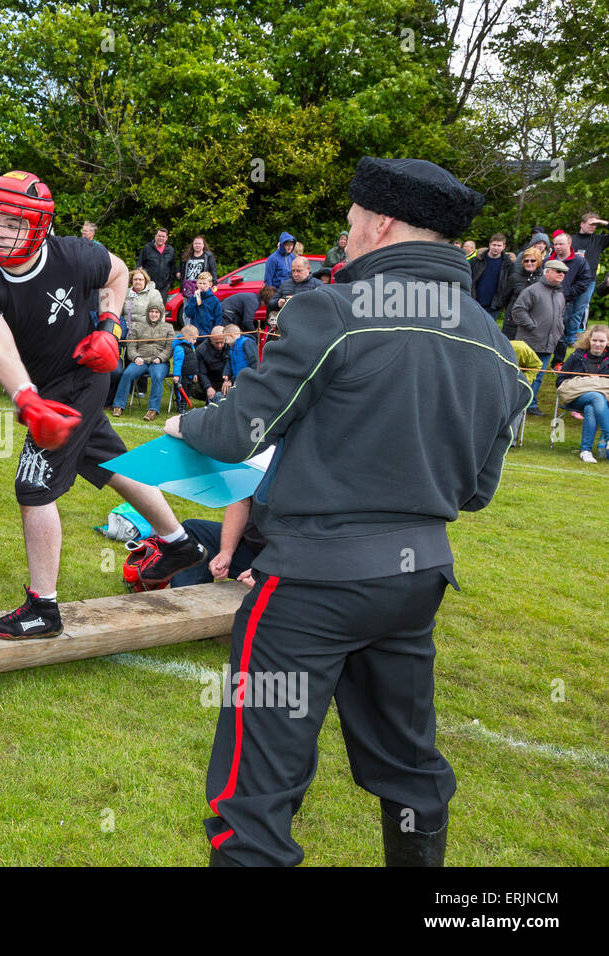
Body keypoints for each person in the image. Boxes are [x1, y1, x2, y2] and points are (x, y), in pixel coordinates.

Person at [165, 156, 531, 867]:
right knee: (409, 768)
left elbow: (241, 431)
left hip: (313, 582)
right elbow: (477, 490)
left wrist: (186, 429)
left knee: (254, 793)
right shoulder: (492, 341)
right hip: (416, 577)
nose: (345, 232)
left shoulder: (335, 307)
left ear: (382, 222)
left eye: (352, 219)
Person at [0, 170, 206, 638]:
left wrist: (109, 328)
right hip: (45, 386)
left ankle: (43, 608)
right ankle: (179, 543)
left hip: (79, 379)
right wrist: (27, 398)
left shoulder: (72, 253)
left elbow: (115, 272)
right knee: (112, 463)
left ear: (38, 225)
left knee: (34, 488)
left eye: (11, 222)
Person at [506, 258, 566, 413]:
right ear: (548, 272)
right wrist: (533, 326)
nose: (562, 275)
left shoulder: (560, 294)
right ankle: (516, 402)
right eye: (558, 271)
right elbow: (518, 310)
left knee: (539, 376)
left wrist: (559, 330)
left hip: (549, 343)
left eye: (564, 273)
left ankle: (530, 405)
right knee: (523, 372)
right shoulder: (532, 290)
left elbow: (560, 316)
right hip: (530, 341)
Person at [167, 496, 265, 589]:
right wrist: (226, 551)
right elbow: (242, 501)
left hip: (277, 563)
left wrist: (269, 570)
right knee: (194, 532)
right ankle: (188, 600)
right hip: (255, 550)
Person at [112, 304, 174, 420]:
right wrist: (135, 357)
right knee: (127, 374)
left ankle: (152, 410)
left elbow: (170, 348)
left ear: (160, 314)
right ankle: (118, 406)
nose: (154, 314)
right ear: (147, 313)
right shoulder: (138, 327)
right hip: (141, 360)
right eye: (151, 312)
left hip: (159, 362)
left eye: (156, 312)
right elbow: (131, 346)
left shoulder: (168, 327)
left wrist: (160, 358)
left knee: (157, 376)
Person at [558, 324, 609, 462]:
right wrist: (585, 381)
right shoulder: (576, 355)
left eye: (602, 341)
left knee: (591, 407)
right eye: (595, 340)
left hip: (602, 403)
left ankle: (585, 450)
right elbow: (560, 381)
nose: (598, 344)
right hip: (575, 397)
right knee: (595, 396)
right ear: (589, 340)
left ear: (607, 342)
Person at [548, 230, 593, 367]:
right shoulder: (549, 260)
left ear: (569, 243)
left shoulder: (579, 262)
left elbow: (585, 281)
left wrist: (568, 293)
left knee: (562, 332)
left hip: (567, 301)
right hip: (547, 300)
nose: (557, 247)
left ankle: (558, 362)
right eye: (555, 244)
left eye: (560, 244)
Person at [470, 233, 512, 320]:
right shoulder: (477, 261)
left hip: (493, 305)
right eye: (494, 245)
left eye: (499, 245)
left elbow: (508, 284)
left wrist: (502, 302)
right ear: (489, 244)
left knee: (489, 332)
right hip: (474, 301)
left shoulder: (508, 265)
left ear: (504, 246)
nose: (496, 248)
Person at [194, 325, 231, 403]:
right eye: (216, 343)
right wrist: (208, 387)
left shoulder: (231, 345)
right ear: (211, 339)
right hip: (210, 379)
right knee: (193, 387)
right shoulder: (201, 350)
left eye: (222, 342)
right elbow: (202, 372)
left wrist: (230, 380)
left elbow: (235, 366)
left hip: (227, 379)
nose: (220, 345)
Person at [183, 271, 223, 336]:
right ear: (196, 283)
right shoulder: (193, 298)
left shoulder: (214, 300)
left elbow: (218, 318)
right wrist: (194, 299)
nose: (201, 285)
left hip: (208, 333)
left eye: (204, 283)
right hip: (195, 334)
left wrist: (215, 332)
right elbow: (189, 314)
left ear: (210, 284)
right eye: (200, 283)